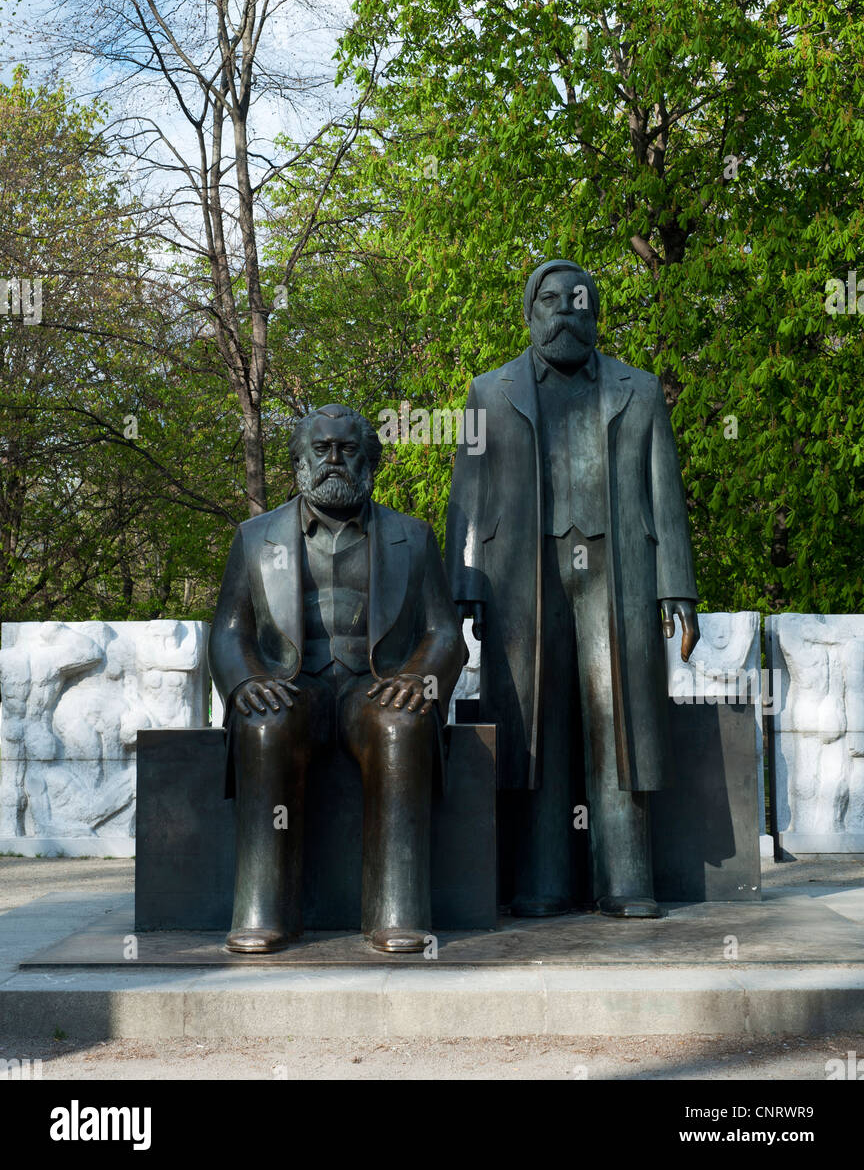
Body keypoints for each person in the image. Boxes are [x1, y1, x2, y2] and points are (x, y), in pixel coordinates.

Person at [445, 261, 700, 917]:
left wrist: (679, 590)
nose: (565, 311)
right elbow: (467, 493)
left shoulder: (637, 390)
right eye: (550, 300)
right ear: (530, 313)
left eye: (577, 301)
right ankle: (544, 881)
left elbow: (663, 491)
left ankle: (626, 880)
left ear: (595, 313)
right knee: (537, 722)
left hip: (620, 571)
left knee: (619, 719)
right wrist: (464, 585)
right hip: (523, 575)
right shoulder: (489, 392)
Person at [209, 404, 465, 953]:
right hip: (291, 684)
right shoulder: (256, 538)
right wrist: (245, 682)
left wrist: (421, 678)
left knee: (401, 722)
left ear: (370, 460)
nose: (333, 460)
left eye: (347, 450)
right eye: (319, 449)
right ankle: (263, 911)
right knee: (264, 722)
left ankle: (397, 913)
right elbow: (230, 632)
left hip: (374, 687)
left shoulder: (413, 537)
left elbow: (445, 633)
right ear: (298, 462)